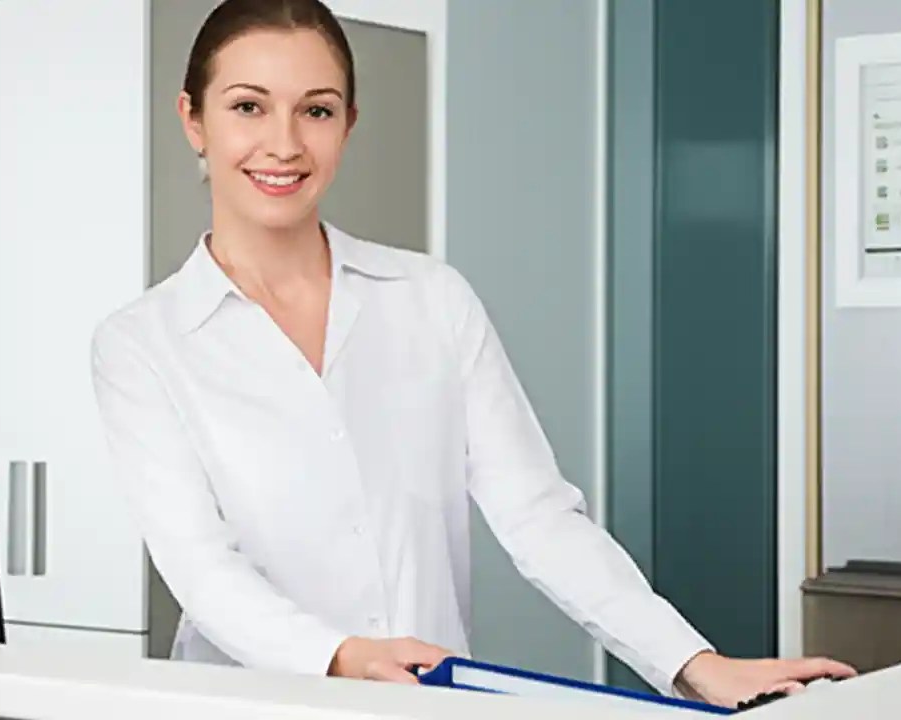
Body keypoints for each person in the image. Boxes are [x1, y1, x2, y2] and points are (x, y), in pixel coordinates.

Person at [90, 0, 855, 708]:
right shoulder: (143, 344)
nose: (284, 143)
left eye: (315, 111)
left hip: (425, 703)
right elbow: (203, 571)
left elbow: (539, 517)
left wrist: (692, 662)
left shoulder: (430, 297)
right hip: (248, 707)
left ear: (348, 124)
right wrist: (341, 655)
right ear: (193, 119)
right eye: (248, 106)